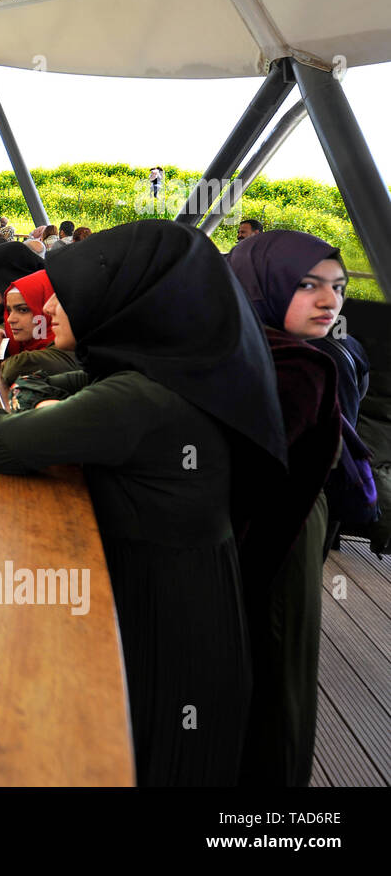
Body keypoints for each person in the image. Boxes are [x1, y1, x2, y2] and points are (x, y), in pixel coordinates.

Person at [0, 220, 288, 786]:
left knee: (153, 757)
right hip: (200, 602)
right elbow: (71, 388)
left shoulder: (135, 398)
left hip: (163, 617)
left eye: (72, 295)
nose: (53, 310)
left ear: (121, 302)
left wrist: (30, 415)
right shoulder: (168, 376)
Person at [227, 231, 353, 787]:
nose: (330, 302)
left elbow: (239, 465)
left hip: (285, 531)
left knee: (276, 675)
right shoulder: (256, 348)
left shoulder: (297, 364)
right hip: (286, 522)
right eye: (310, 286)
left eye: (337, 288)